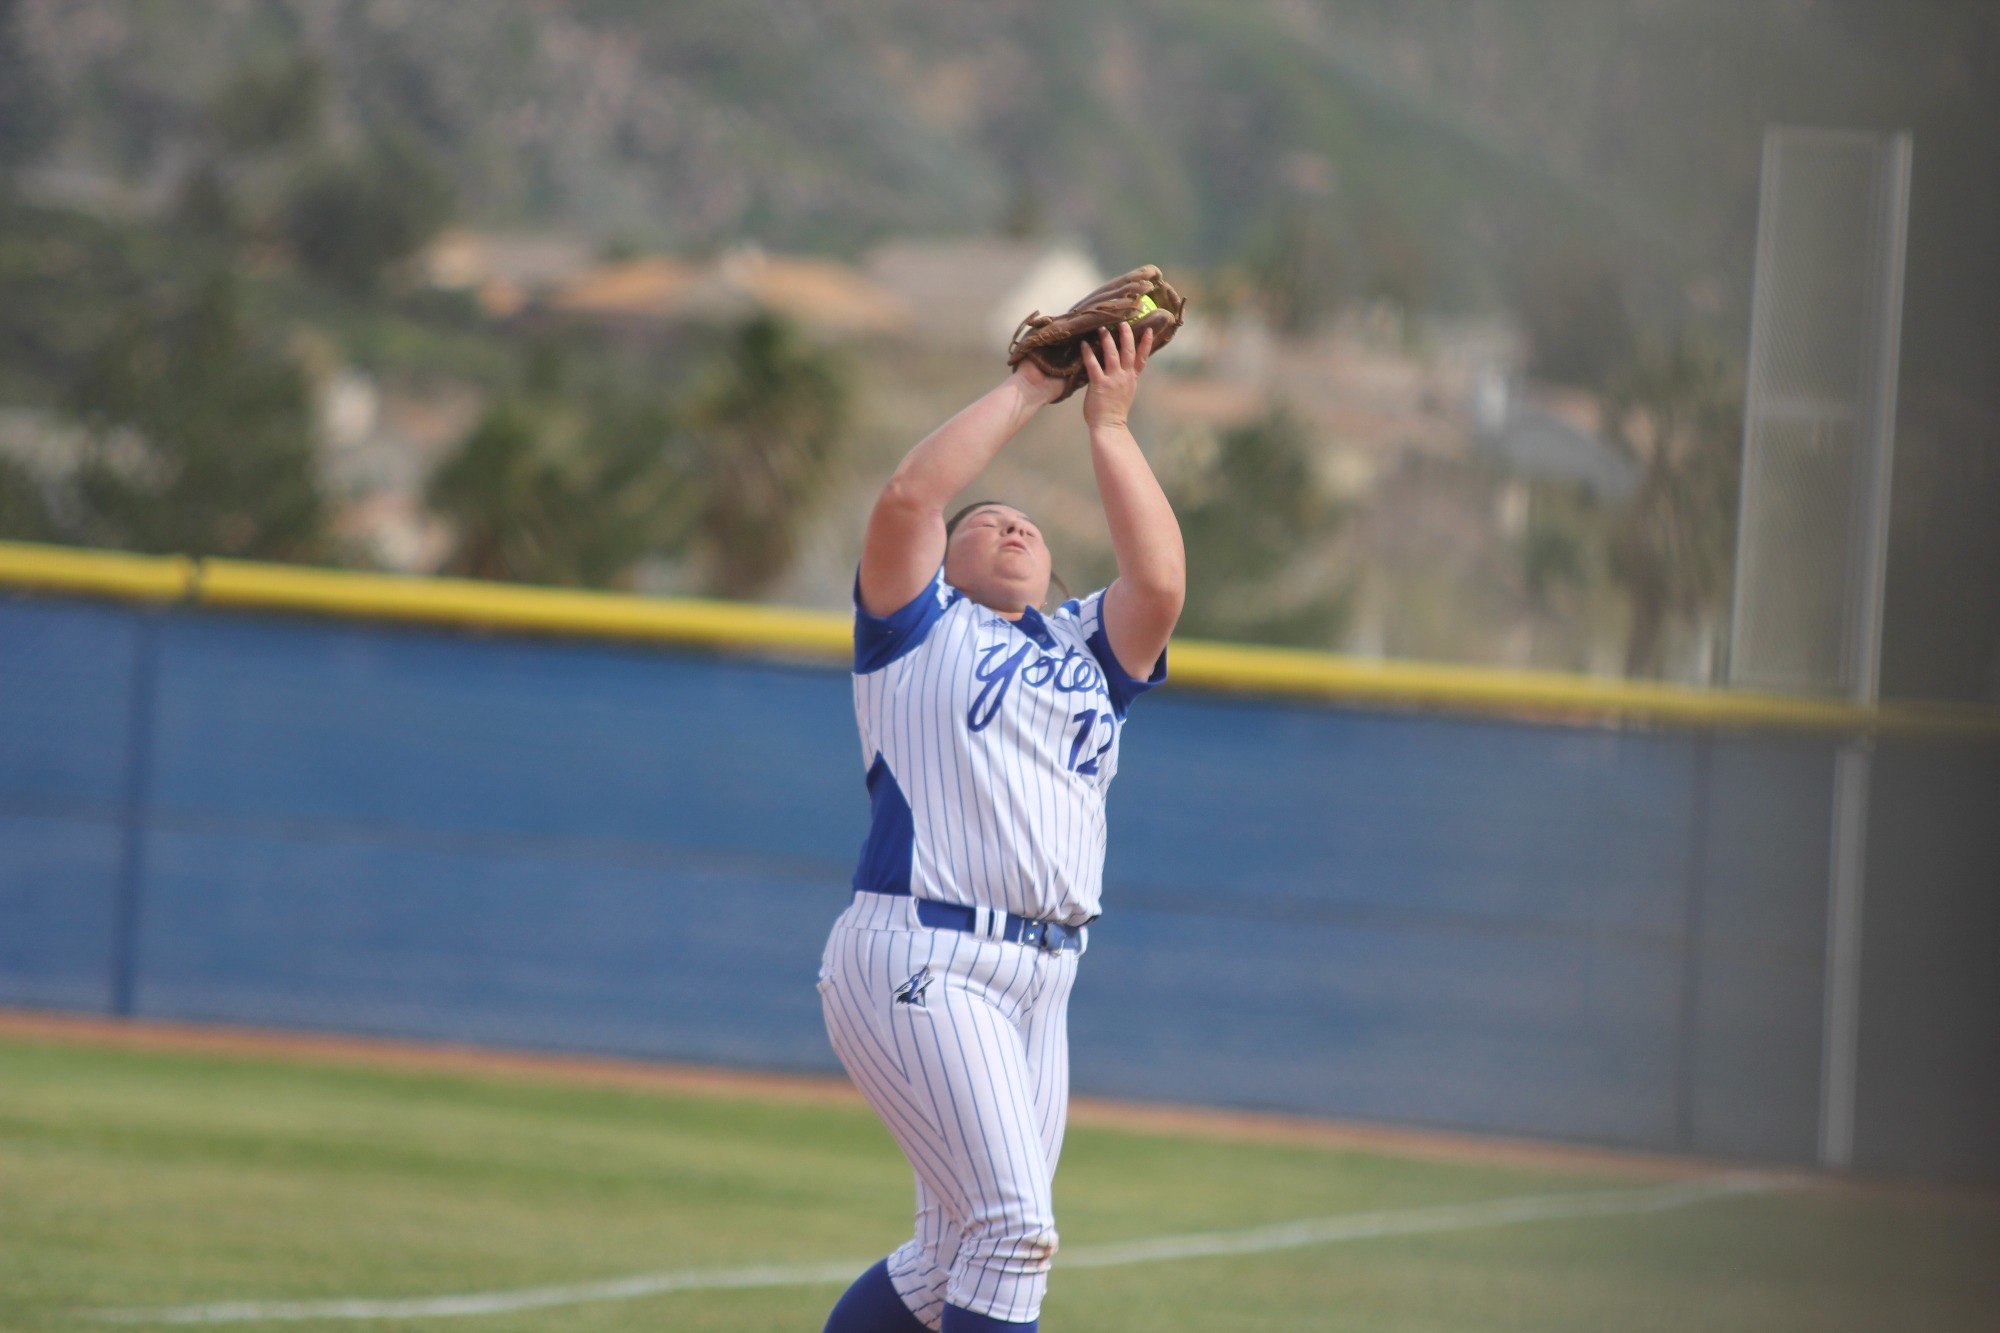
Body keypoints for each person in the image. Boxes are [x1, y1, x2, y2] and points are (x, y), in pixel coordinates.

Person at [817, 321, 1184, 1333]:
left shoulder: (1087, 654)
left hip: (1041, 982)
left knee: (950, 1258)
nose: (1009, 526)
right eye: (986, 522)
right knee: (1013, 1228)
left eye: (1027, 523)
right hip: (921, 953)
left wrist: (1109, 426)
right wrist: (1029, 390)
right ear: (946, 558)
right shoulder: (913, 627)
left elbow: (1157, 583)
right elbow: (908, 498)